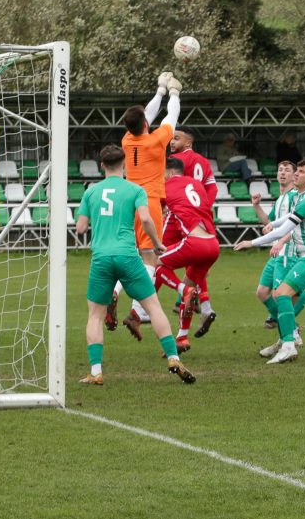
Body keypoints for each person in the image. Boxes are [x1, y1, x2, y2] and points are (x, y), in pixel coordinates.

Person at [74, 145, 195, 385]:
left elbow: (80, 228)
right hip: (128, 256)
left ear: (102, 165)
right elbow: (146, 219)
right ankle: (173, 358)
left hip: (101, 258)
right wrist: (157, 243)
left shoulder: (91, 191)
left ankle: (96, 372)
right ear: (125, 164)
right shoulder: (135, 189)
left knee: (95, 316)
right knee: (153, 307)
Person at [234, 158, 305, 365]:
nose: (295, 174)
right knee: (278, 294)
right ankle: (287, 341)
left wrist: (251, 242)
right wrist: (272, 224)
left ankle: (288, 342)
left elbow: (284, 230)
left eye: (300, 172)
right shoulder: (300, 196)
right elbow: (285, 220)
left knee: (282, 294)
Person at [111, 72, 181, 334]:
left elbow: (147, 115)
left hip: (128, 201)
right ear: (144, 125)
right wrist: (174, 93)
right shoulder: (155, 141)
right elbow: (171, 116)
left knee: (134, 255)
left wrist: (160, 90)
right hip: (148, 202)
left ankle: (115, 291)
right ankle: (137, 311)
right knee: (151, 258)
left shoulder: (127, 140)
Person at [137, 158, 220, 354]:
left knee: (157, 264)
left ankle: (181, 289)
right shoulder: (197, 185)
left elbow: (152, 209)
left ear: (169, 172)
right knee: (190, 290)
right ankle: (182, 337)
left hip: (194, 242)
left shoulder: (167, 186)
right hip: (213, 244)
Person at [250, 161, 304, 346]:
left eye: (287, 170)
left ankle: (289, 337)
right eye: (280, 170)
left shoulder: (294, 196)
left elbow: (296, 226)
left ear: (294, 175)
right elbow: (269, 223)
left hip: (289, 252)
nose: (282, 173)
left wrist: (281, 242)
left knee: (279, 295)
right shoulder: (281, 198)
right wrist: (257, 206)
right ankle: (291, 328)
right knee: (262, 292)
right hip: (277, 253)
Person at [169, 129, 217, 197]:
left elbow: (168, 185)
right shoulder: (205, 161)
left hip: (180, 201)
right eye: (171, 139)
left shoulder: (173, 159)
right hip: (199, 201)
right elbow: (213, 189)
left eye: (176, 139)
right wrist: (205, 204)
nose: (171, 142)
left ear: (188, 143)